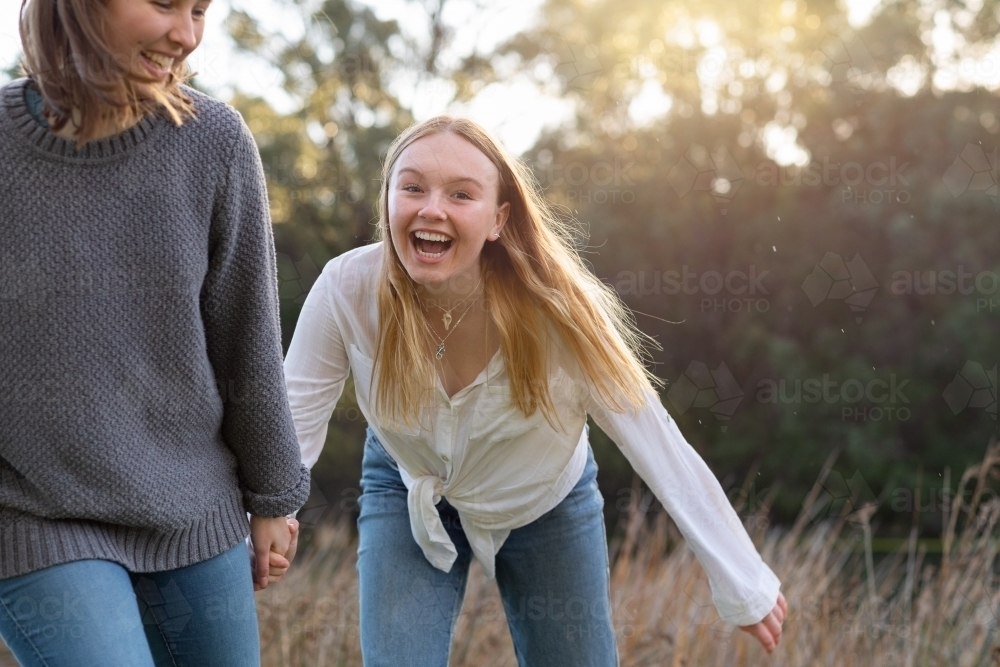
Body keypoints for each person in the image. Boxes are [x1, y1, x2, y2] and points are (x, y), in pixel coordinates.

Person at [284, 115, 787, 665]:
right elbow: (295, 413)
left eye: (461, 194)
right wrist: (272, 511)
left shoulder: (559, 312)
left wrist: (742, 580)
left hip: (544, 501)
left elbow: (653, 437)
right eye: (412, 187)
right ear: (387, 201)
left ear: (498, 219)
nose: (432, 208)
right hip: (410, 484)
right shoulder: (346, 287)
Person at [0, 1, 308, 665]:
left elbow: (246, 338)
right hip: (36, 514)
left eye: (200, 10)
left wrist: (274, 495)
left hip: (196, 512)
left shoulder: (216, 142)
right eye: (166, 4)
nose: (187, 34)